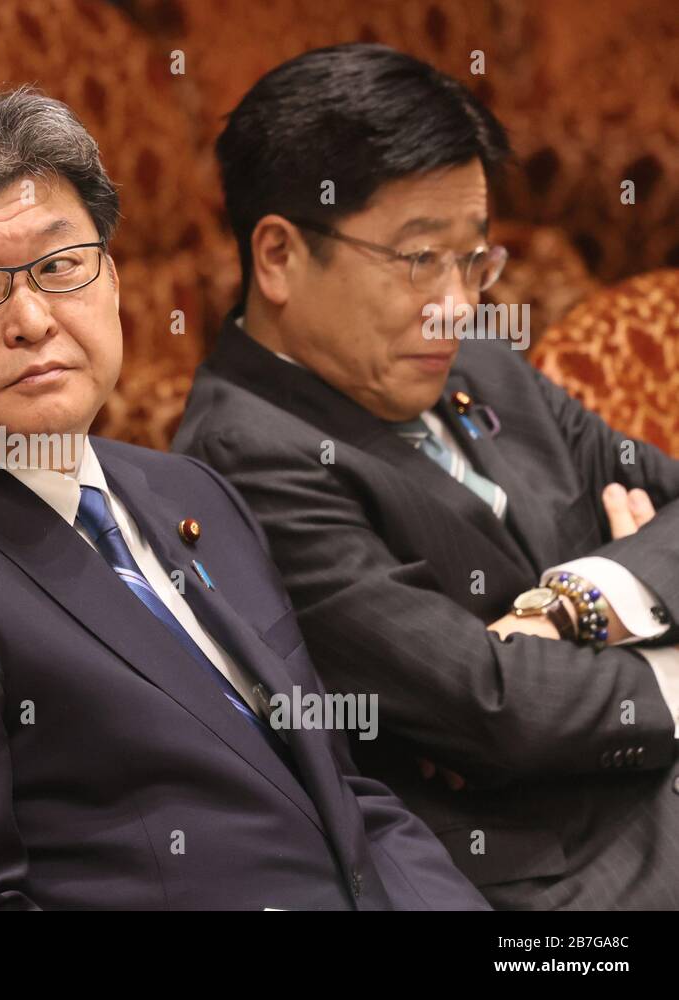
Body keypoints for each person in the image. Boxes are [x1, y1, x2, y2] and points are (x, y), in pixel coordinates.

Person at [0, 86, 488, 911]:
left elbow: (349, 798)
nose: (32, 319)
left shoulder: (191, 490)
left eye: (60, 265)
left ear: (111, 278)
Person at [173, 43, 679, 909]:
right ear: (280, 257)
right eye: (417, 261)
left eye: (474, 260)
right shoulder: (244, 455)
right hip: (563, 881)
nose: (456, 303)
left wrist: (593, 598)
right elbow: (494, 708)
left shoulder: (477, 360)